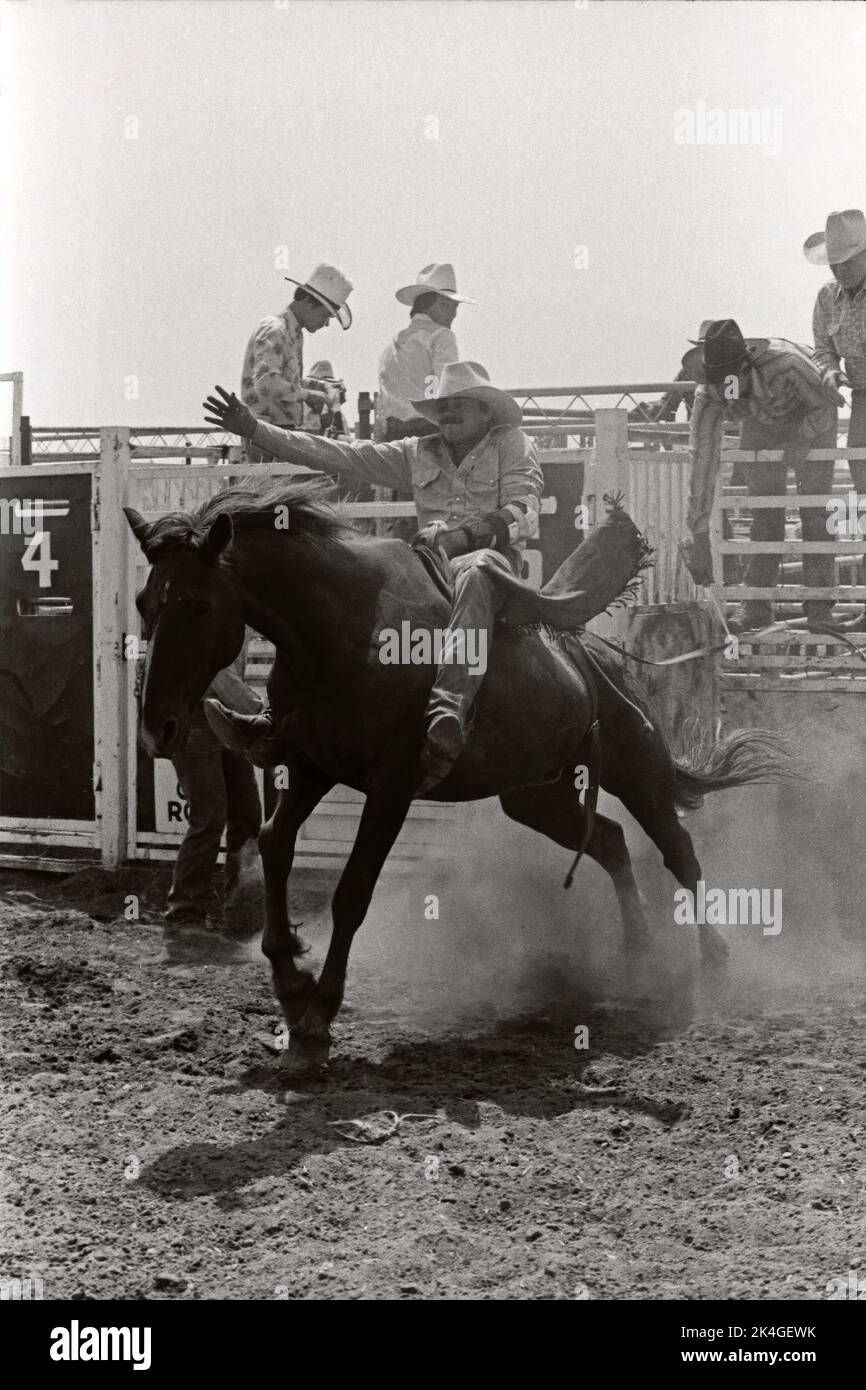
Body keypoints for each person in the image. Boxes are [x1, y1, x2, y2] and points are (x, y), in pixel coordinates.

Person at [201, 361, 542, 792]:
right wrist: (255, 430)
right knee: (347, 586)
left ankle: (448, 710)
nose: (450, 413)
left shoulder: (512, 444)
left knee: (474, 572)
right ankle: (278, 722)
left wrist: (466, 537)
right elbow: (340, 453)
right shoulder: (419, 452)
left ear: (487, 413)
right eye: (445, 405)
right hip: (431, 566)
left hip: (493, 568)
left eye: (462, 404)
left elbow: (524, 511)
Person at [680, 319, 841, 635]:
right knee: (765, 515)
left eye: (731, 380)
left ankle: (819, 606)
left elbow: (826, 404)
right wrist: (698, 531)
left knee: (816, 511)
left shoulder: (788, 364)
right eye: (718, 381)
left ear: (745, 366)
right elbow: (702, 457)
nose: (725, 388)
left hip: (811, 415)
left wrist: (804, 437)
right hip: (759, 422)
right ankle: (755, 605)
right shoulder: (710, 394)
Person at [163, 647, 263, 926]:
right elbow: (215, 670)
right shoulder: (209, 613)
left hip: (223, 718)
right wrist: (262, 713)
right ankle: (185, 912)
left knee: (246, 813)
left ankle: (242, 904)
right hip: (193, 717)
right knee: (209, 816)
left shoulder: (234, 617)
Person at [806, 208, 866, 629]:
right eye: (833, 262)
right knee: (864, 501)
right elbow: (822, 347)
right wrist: (830, 370)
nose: (839, 269)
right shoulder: (828, 298)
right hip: (862, 401)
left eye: (846, 261)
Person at [241, 263, 353, 463]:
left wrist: (321, 386)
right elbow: (267, 382)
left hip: (277, 433)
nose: (325, 323)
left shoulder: (293, 333)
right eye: (325, 315)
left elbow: (288, 381)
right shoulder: (275, 329)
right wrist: (310, 395)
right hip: (263, 432)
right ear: (310, 303)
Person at [375, 263, 474, 442]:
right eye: (445, 305)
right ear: (425, 306)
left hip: (393, 436)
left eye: (455, 307)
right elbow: (449, 388)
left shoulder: (391, 345)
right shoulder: (442, 336)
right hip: (429, 432)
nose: (453, 313)